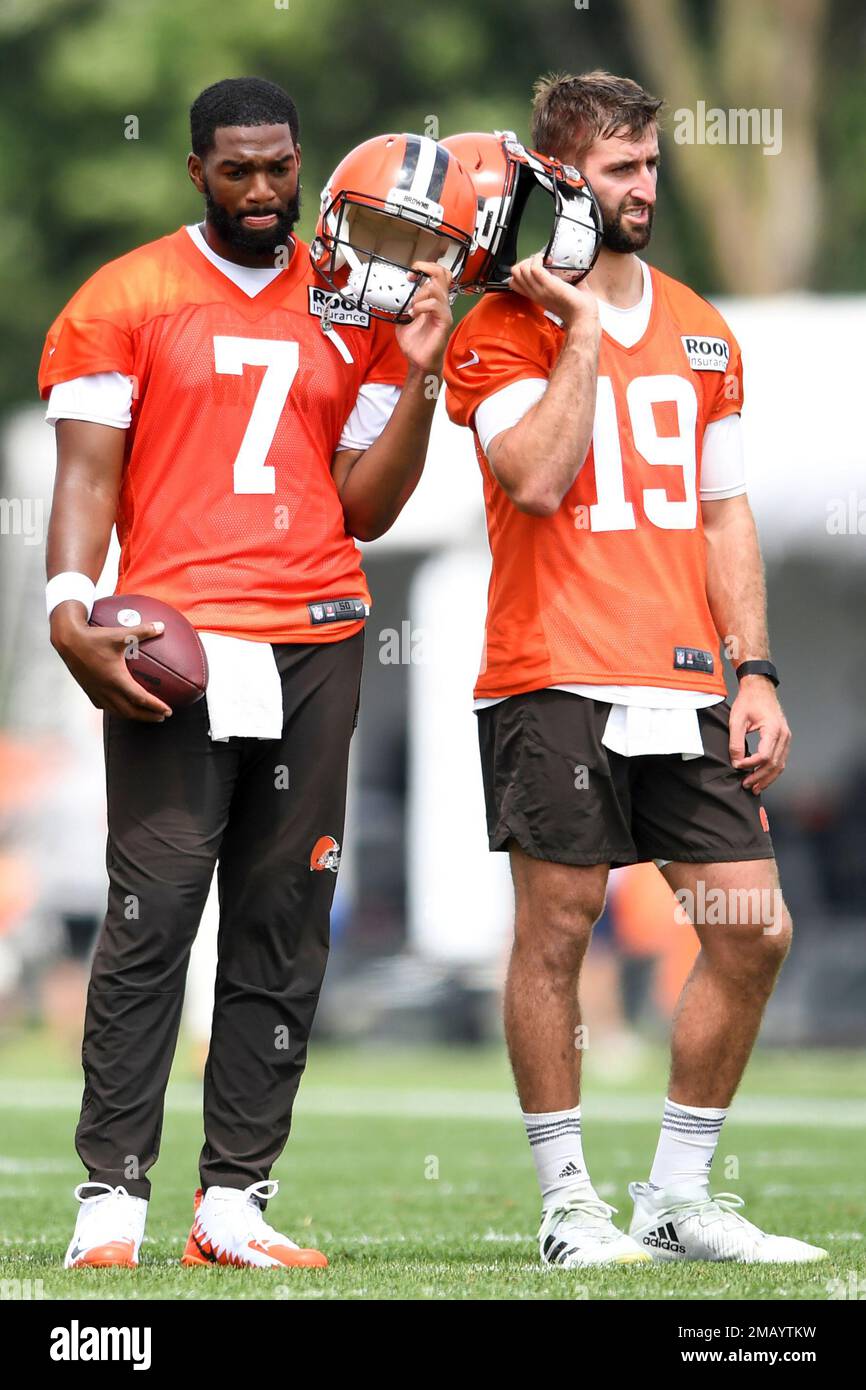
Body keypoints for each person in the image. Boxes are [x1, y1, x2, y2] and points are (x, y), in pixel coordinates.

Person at [39, 77, 460, 1270]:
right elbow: (83, 476)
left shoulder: (354, 302)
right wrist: (69, 608)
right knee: (151, 913)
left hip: (319, 630)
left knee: (284, 924)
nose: (265, 190)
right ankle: (111, 1203)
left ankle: (235, 1203)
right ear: (195, 172)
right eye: (237, 169)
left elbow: (367, 508)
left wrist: (421, 370)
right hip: (179, 634)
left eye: (281, 165)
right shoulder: (126, 295)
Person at [444, 70, 827, 1267]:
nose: (643, 187)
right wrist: (579, 332)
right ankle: (568, 1209)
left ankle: (675, 1193)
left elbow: (723, 514)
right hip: (552, 668)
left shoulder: (704, 323)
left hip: (679, 676)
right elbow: (540, 477)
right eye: (619, 168)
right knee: (556, 930)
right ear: (560, 178)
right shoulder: (496, 327)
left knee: (750, 926)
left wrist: (751, 669)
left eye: (651, 164)